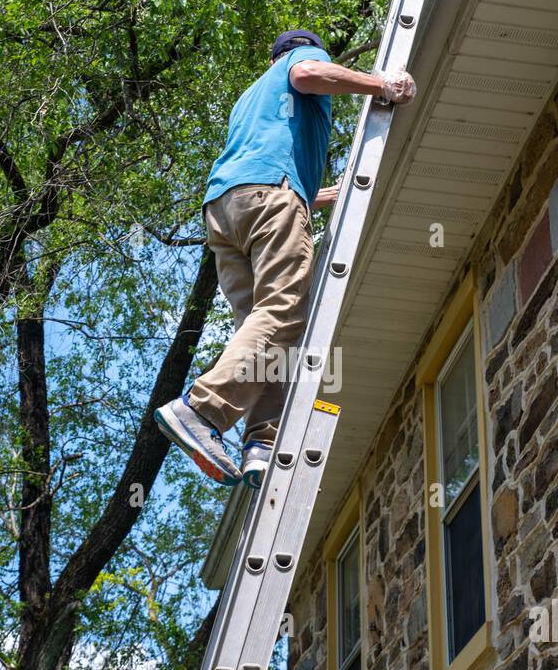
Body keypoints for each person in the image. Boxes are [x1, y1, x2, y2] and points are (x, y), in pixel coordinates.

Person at [155, 29, 416, 488]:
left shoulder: (249, 99)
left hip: (225, 211)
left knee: (263, 328)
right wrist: (381, 86)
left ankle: (261, 441)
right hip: (271, 197)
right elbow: (309, 73)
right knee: (285, 310)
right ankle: (201, 409)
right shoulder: (299, 60)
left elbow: (262, 160)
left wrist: (316, 196)